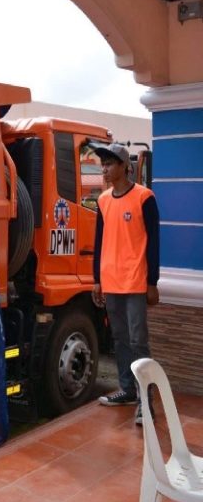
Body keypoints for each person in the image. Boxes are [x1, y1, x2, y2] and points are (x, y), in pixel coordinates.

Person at [92, 143, 160, 426]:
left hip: (135, 281)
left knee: (137, 341)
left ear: (124, 167)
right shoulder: (103, 201)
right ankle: (127, 390)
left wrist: (152, 281)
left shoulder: (145, 197)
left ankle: (147, 402)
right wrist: (97, 280)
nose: (105, 168)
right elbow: (99, 243)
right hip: (111, 281)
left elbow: (154, 242)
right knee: (119, 340)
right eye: (103, 164)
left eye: (110, 163)